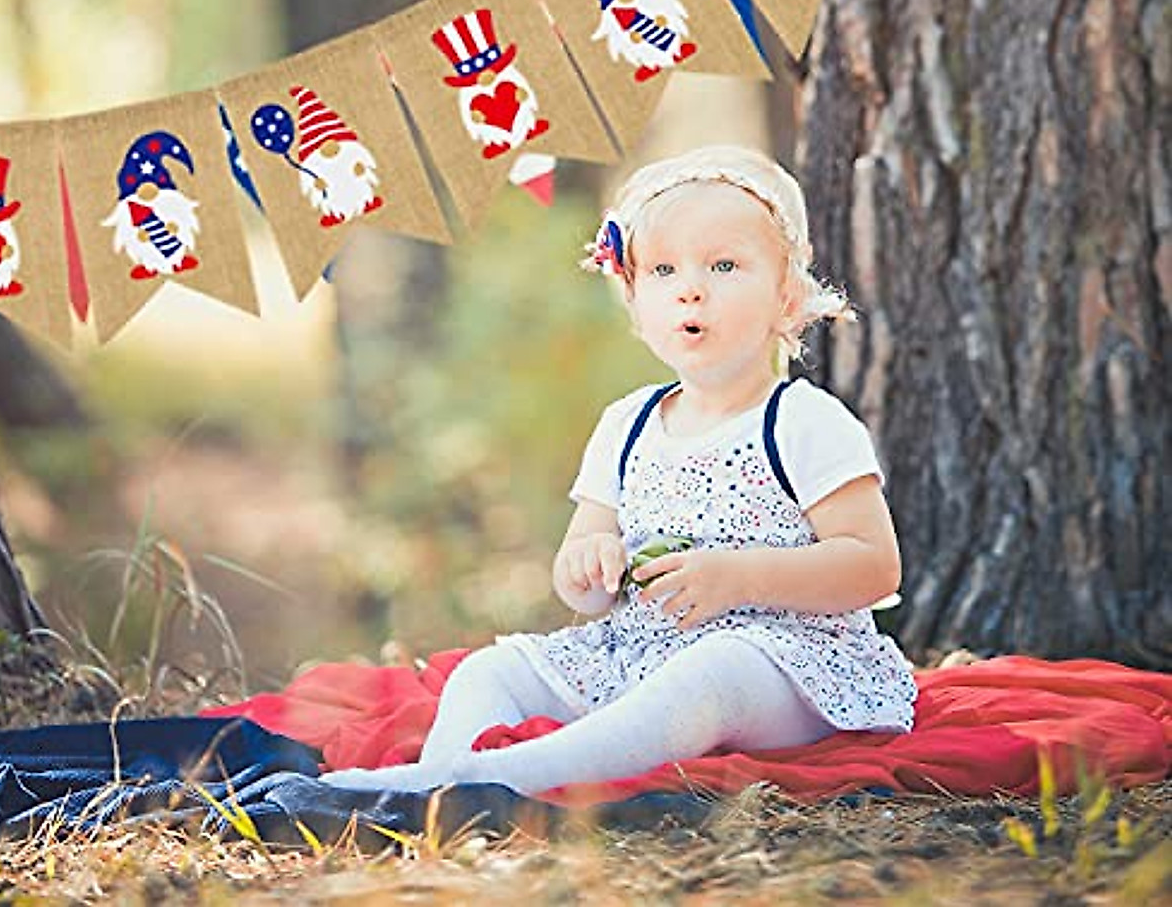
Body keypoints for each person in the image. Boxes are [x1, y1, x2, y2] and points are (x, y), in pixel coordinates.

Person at [323, 145, 916, 797]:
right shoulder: (627, 425)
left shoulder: (803, 422)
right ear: (635, 304)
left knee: (715, 673)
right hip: (641, 652)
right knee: (491, 669)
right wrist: (589, 565)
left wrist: (742, 577)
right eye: (662, 269)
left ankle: (510, 779)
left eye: (724, 265)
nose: (691, 286)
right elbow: (584, 571)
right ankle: (434, 781)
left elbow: (873, 566)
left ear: (786, 296)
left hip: (787, 662)